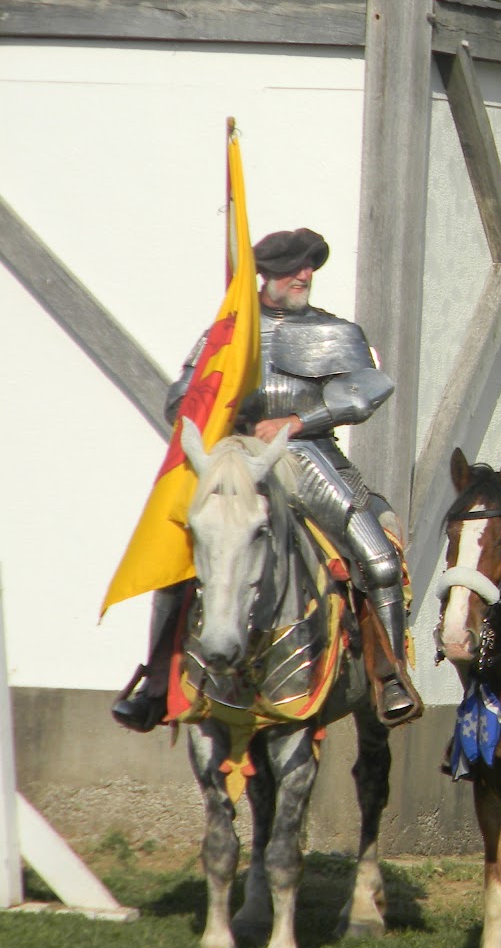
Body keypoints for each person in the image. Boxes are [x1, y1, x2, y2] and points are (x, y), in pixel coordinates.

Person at [112, 228, 422, 731]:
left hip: (309, 457)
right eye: (292, 268)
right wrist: (211, 407)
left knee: (380, 560)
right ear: (266, 275)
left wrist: (299, 421)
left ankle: (390, 675)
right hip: (235, 458)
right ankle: (155, 681)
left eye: (309, 267)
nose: (304, 276)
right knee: (175, 559)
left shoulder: (333, 331)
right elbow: (181, 396)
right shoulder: (227, 332)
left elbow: (368, 388)